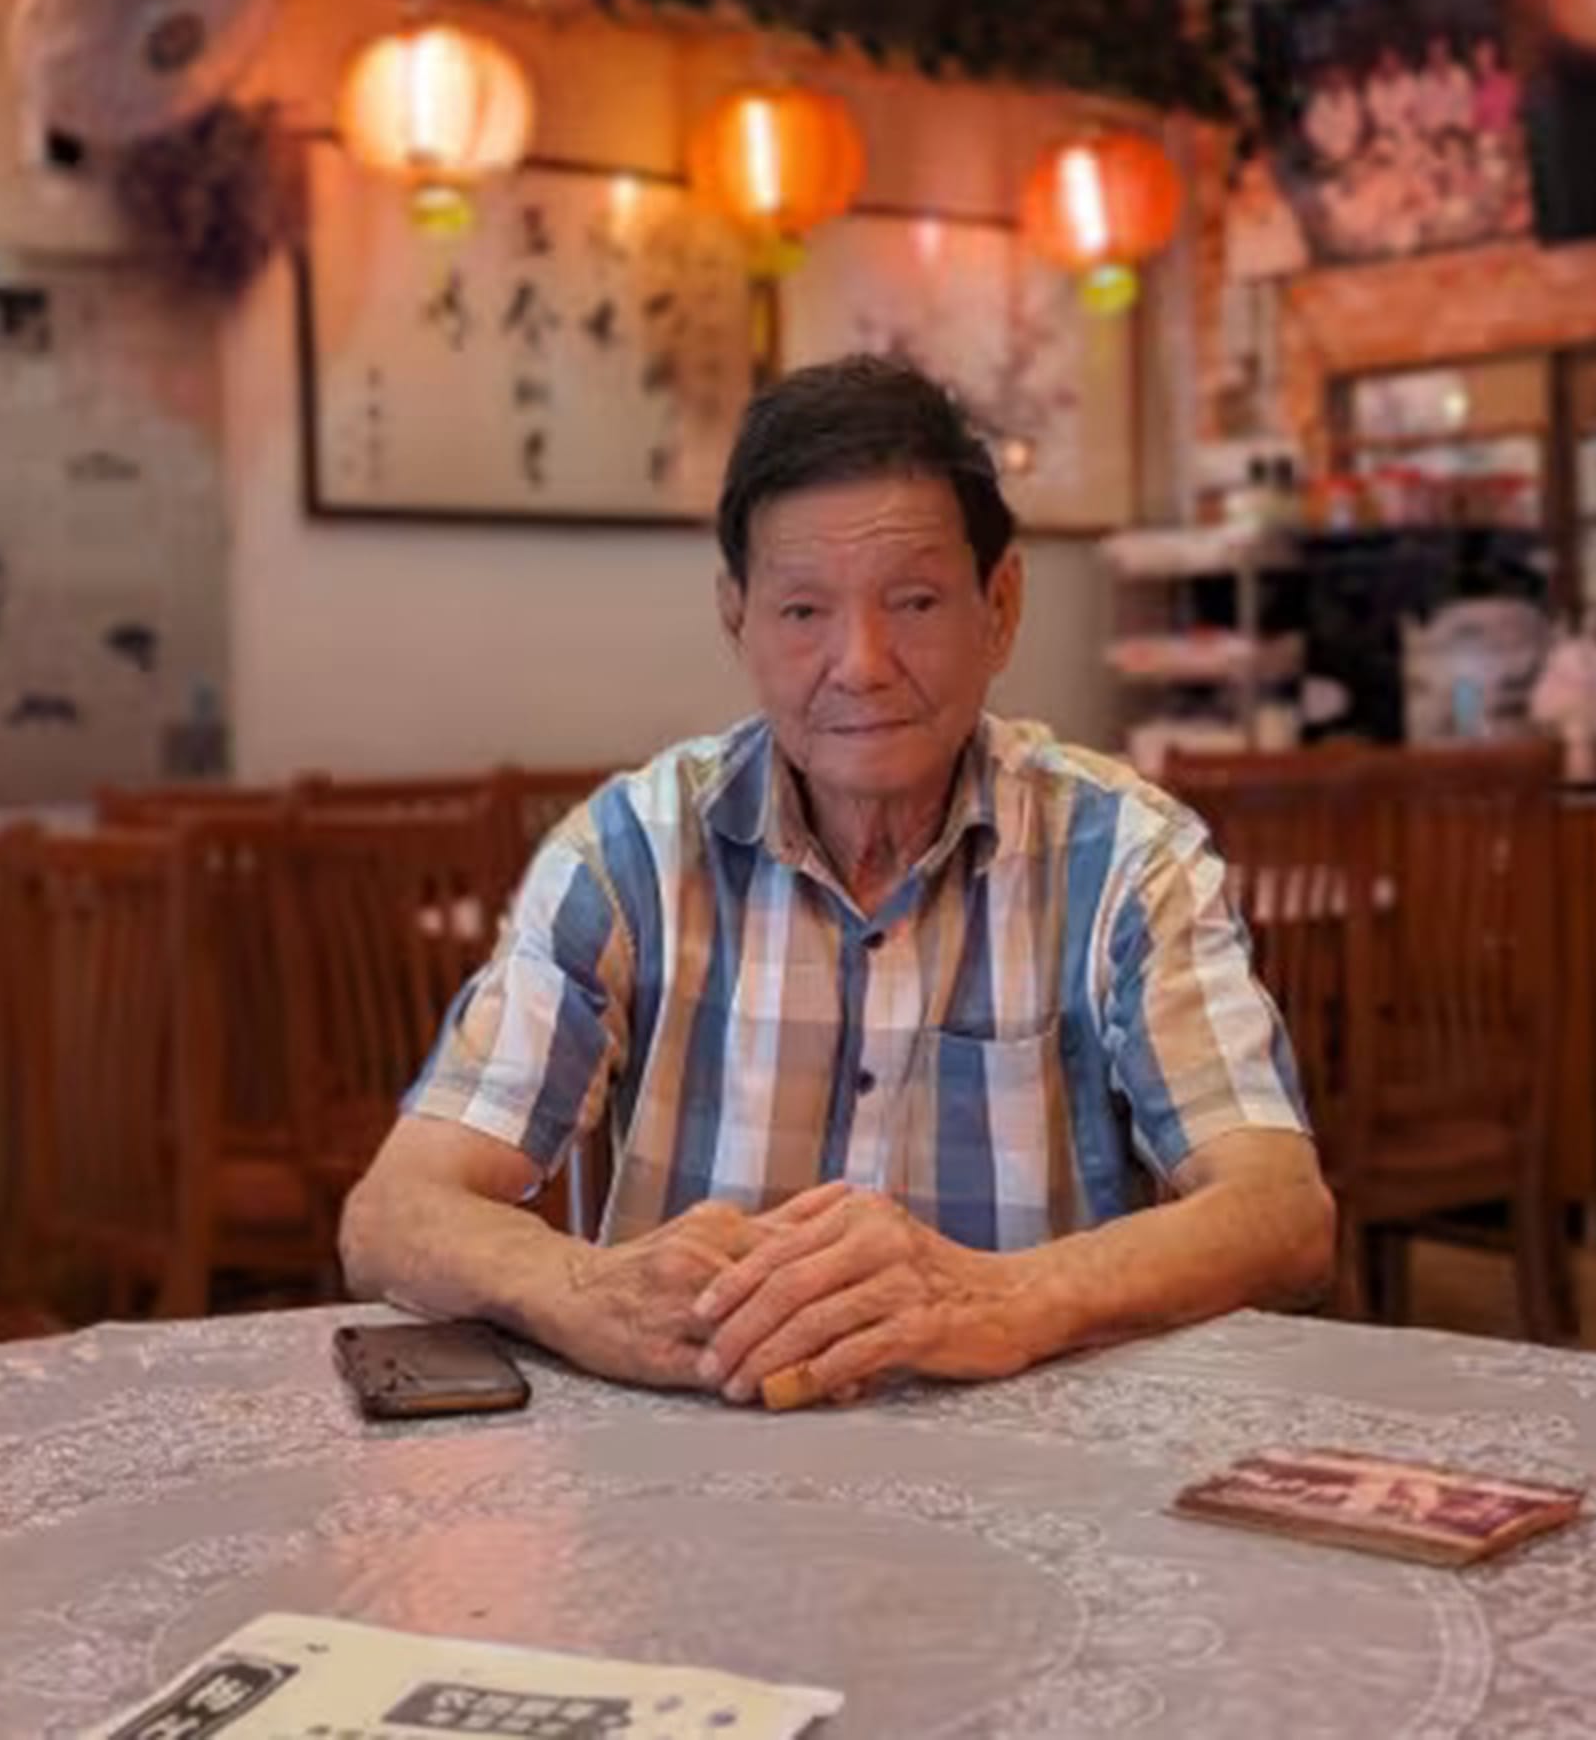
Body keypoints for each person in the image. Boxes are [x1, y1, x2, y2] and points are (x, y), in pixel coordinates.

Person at [341, 357, 1334, 1409]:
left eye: (913, 601)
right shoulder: (631, 853)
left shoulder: (1130, 858)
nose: (860, 662)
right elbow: (392, 1210)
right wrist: (580, 1284)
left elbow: (1282, 1212)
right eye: (804, 611)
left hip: (1035, 1477)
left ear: (1000, 607)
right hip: (693, 1481)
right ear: (739, 621)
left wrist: (1001, 1297)